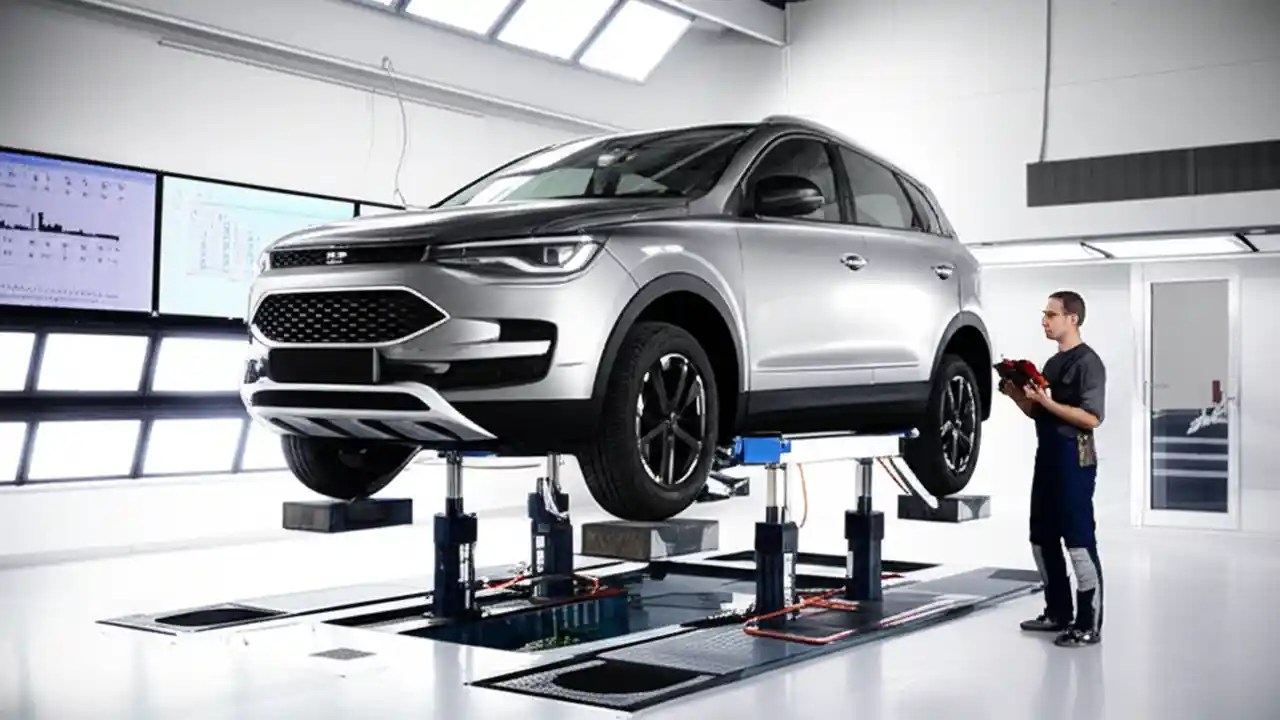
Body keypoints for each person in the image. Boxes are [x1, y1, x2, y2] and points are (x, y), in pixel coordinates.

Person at [1001, 290, 1106, 648]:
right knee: (1041, 537)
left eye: (1051, 314)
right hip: (1047, 456)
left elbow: (1091, 418)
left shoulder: (1089, 363)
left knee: (1078, 541)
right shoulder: (1052, 363)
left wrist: (1047, 401)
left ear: (1072, 318)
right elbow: (1039, 412)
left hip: (1074, 459)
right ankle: (1058, 612)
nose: (1044, 321)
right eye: (1044, 314)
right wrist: (1018, 396)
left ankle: (1088, 623)